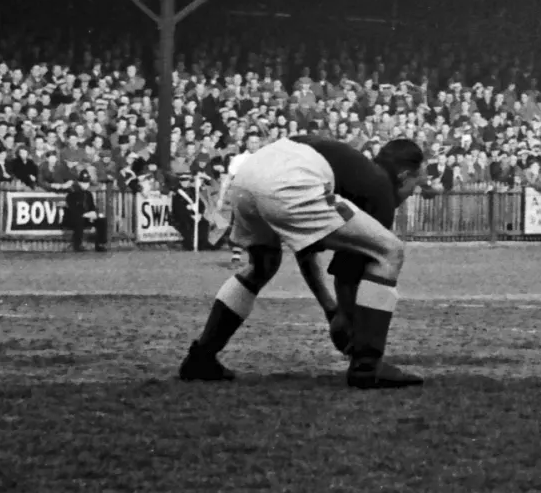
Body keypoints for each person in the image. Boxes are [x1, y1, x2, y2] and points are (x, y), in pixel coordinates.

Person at [179, 136, 427, 389]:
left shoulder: (354, 171)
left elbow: (305, 247)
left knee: (262, 265)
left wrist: (331, 310)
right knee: (390, 250)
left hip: (248, 177)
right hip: (288, 181)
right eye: (415, 185)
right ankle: (367, 366)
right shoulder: (380, 187)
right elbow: (347, 275)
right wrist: (345, 321)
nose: (411, 194)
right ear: (403, 175)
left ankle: (201, 357)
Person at [64, 171, 108, 252]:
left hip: (85, 218)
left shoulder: (88, 194)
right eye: (83, 182)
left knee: (102, 219)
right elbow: (72, 209)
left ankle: (100, 244)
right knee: (79, 220)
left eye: (87, 182)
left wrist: (94, 213)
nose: (86, 184)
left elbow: (92, 207)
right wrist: (85, 214)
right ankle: (77, 245)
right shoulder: (72, 193)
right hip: (72, 219)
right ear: (79, 183)